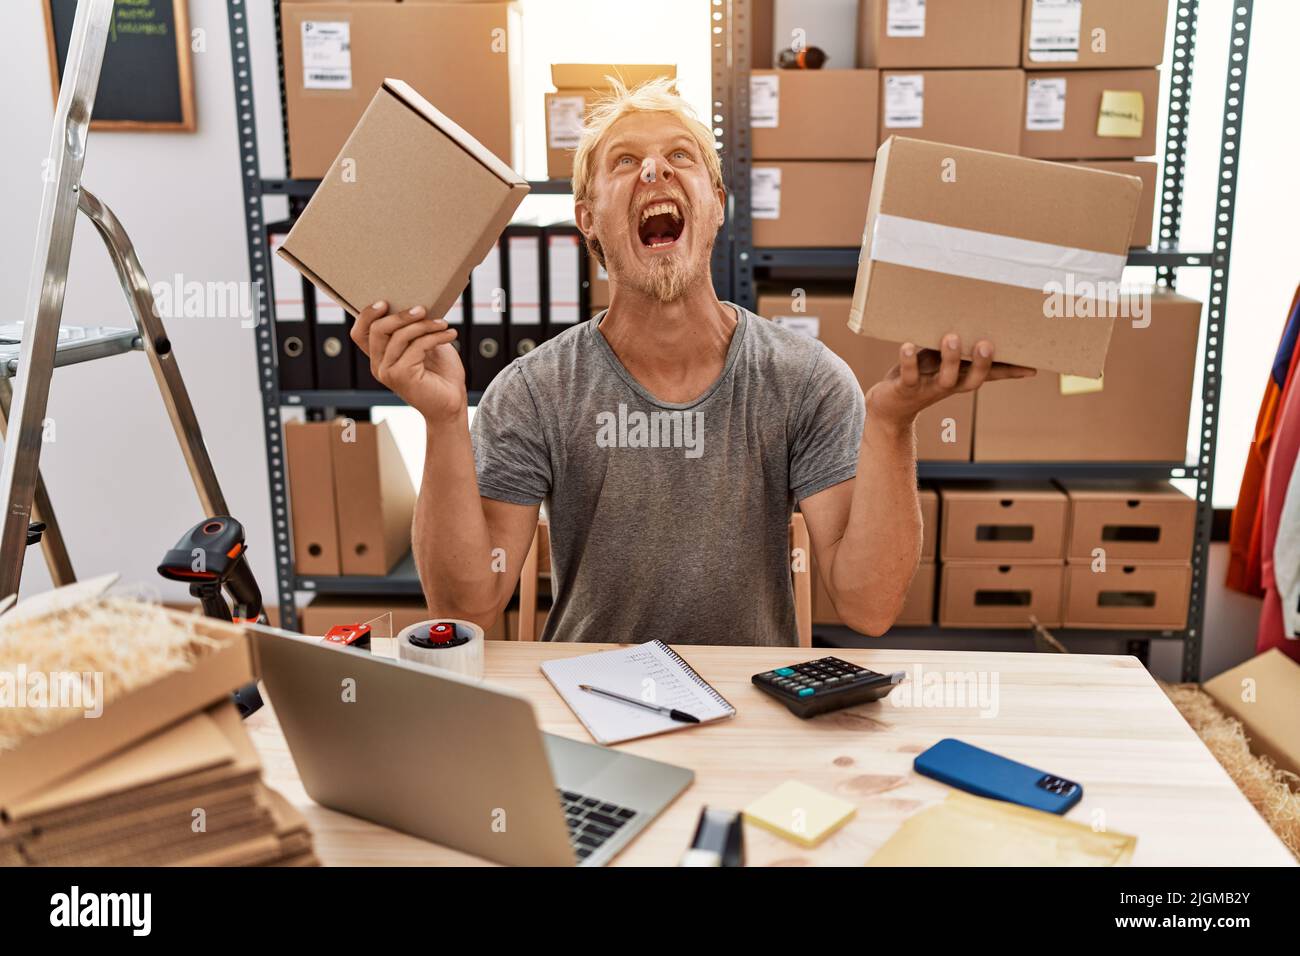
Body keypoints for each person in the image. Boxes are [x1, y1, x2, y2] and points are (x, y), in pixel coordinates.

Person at [351, 78, 1033, 645]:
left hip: (753, 713)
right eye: (624, 161)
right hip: (585, 706)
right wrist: (444, 422)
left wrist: (889, 423)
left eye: (680, 155)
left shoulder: (805, 380)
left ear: (715, 207)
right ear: (586, 219)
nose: (654, 170)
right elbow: (467, 608)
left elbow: (868, 605)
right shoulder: (533, 392)